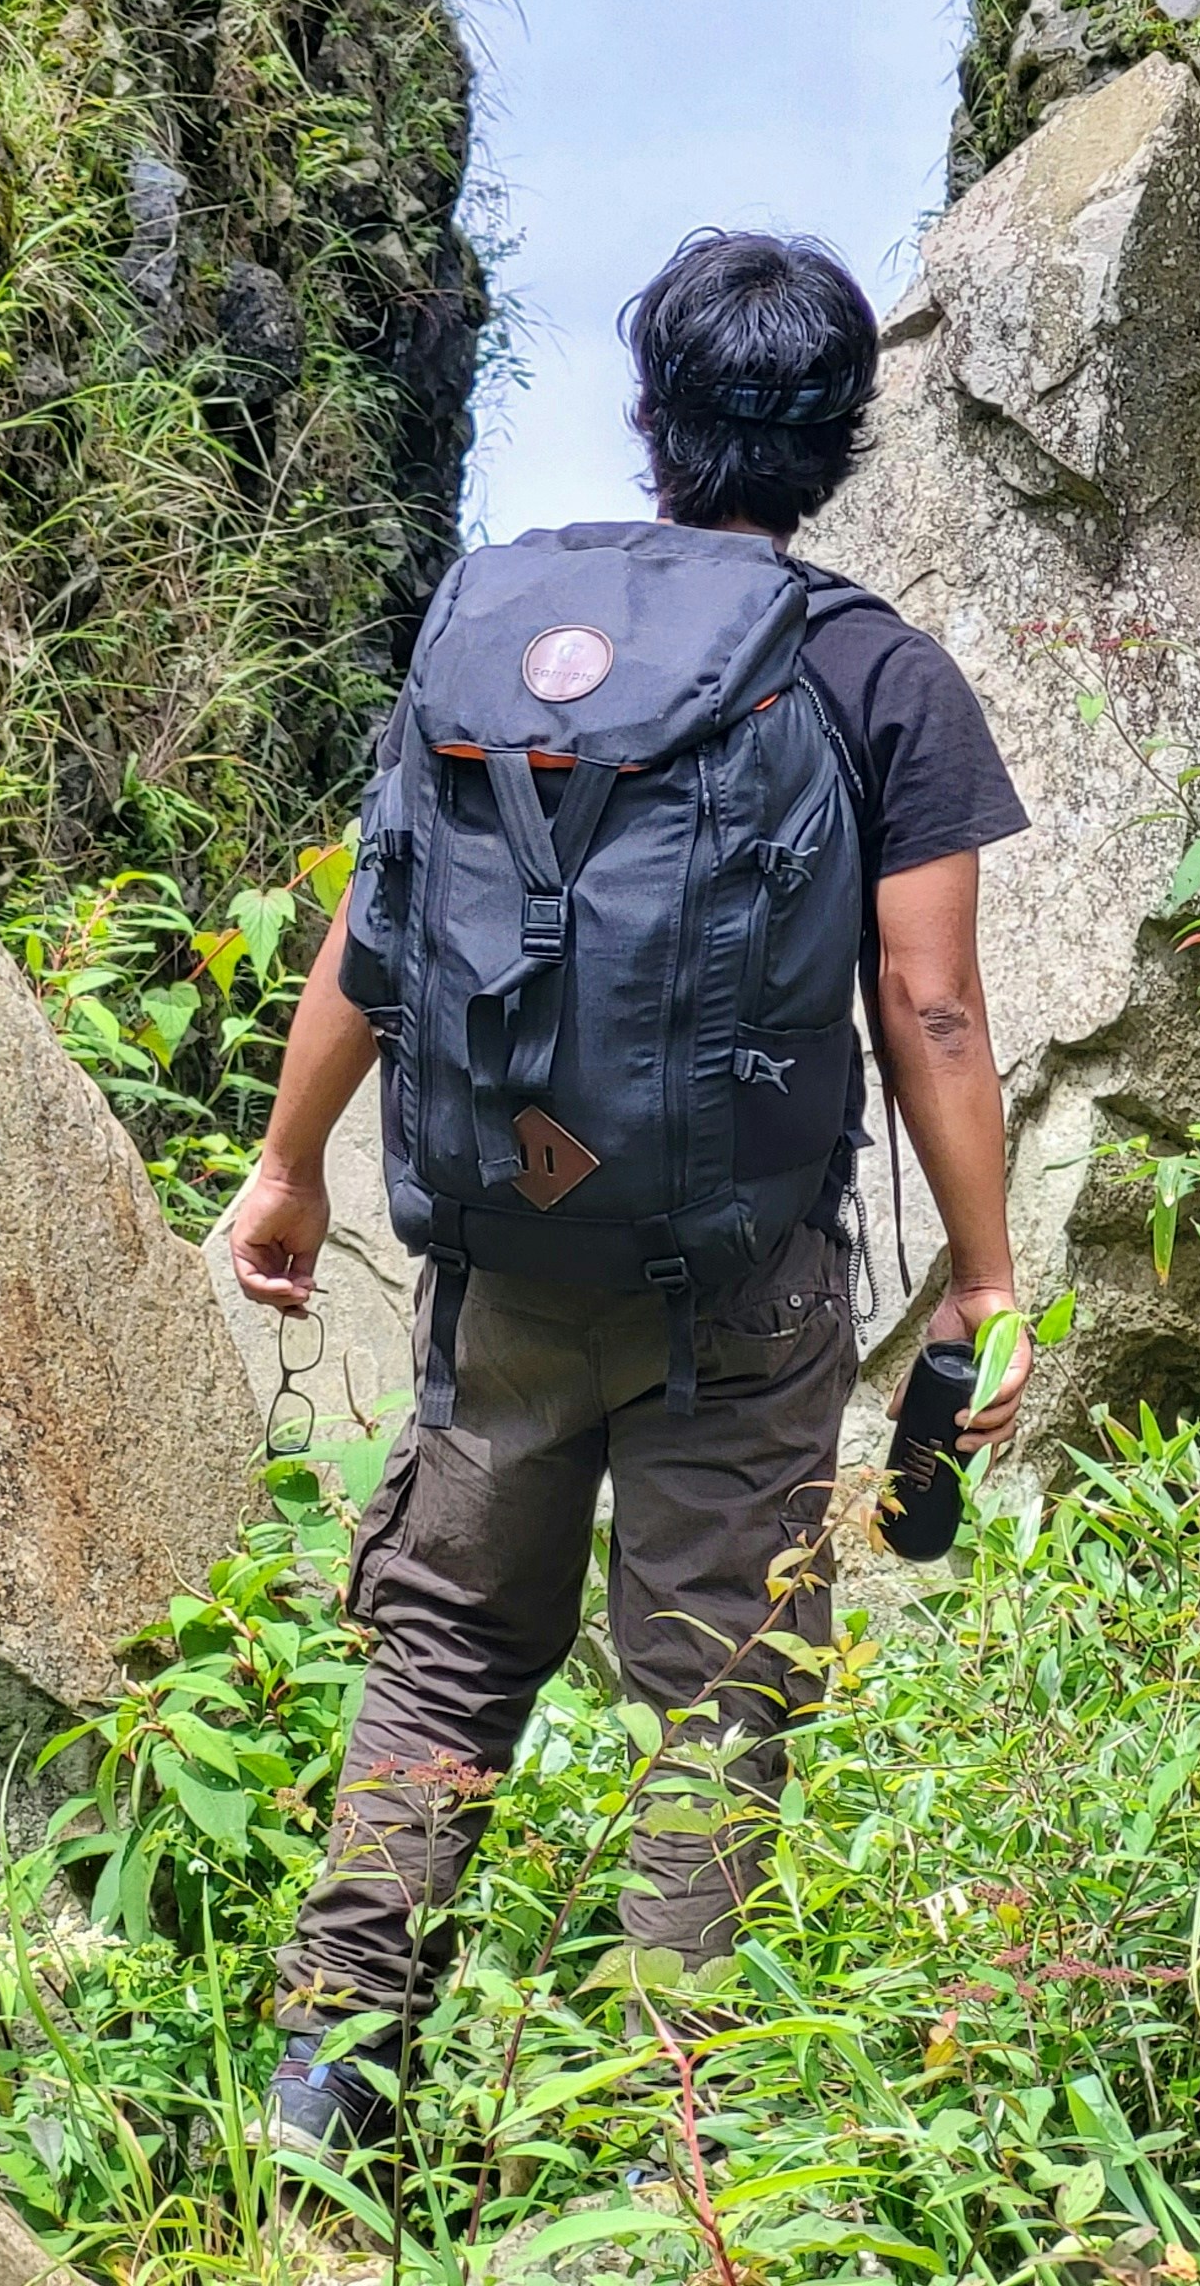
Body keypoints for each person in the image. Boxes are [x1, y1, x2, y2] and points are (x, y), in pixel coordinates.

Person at [223, 226, 1031, 2174]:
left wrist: (286, 1157)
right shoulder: (873, 671)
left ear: (650, 418)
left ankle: (323, 2118)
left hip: (504, 1258)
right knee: (712, 1699)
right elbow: (929, 1000)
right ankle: (672, 2158)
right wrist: (984, 1277)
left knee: (440, 1650)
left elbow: (383, 918)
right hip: (740, 1286)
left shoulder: (499, 637)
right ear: (839, 435)